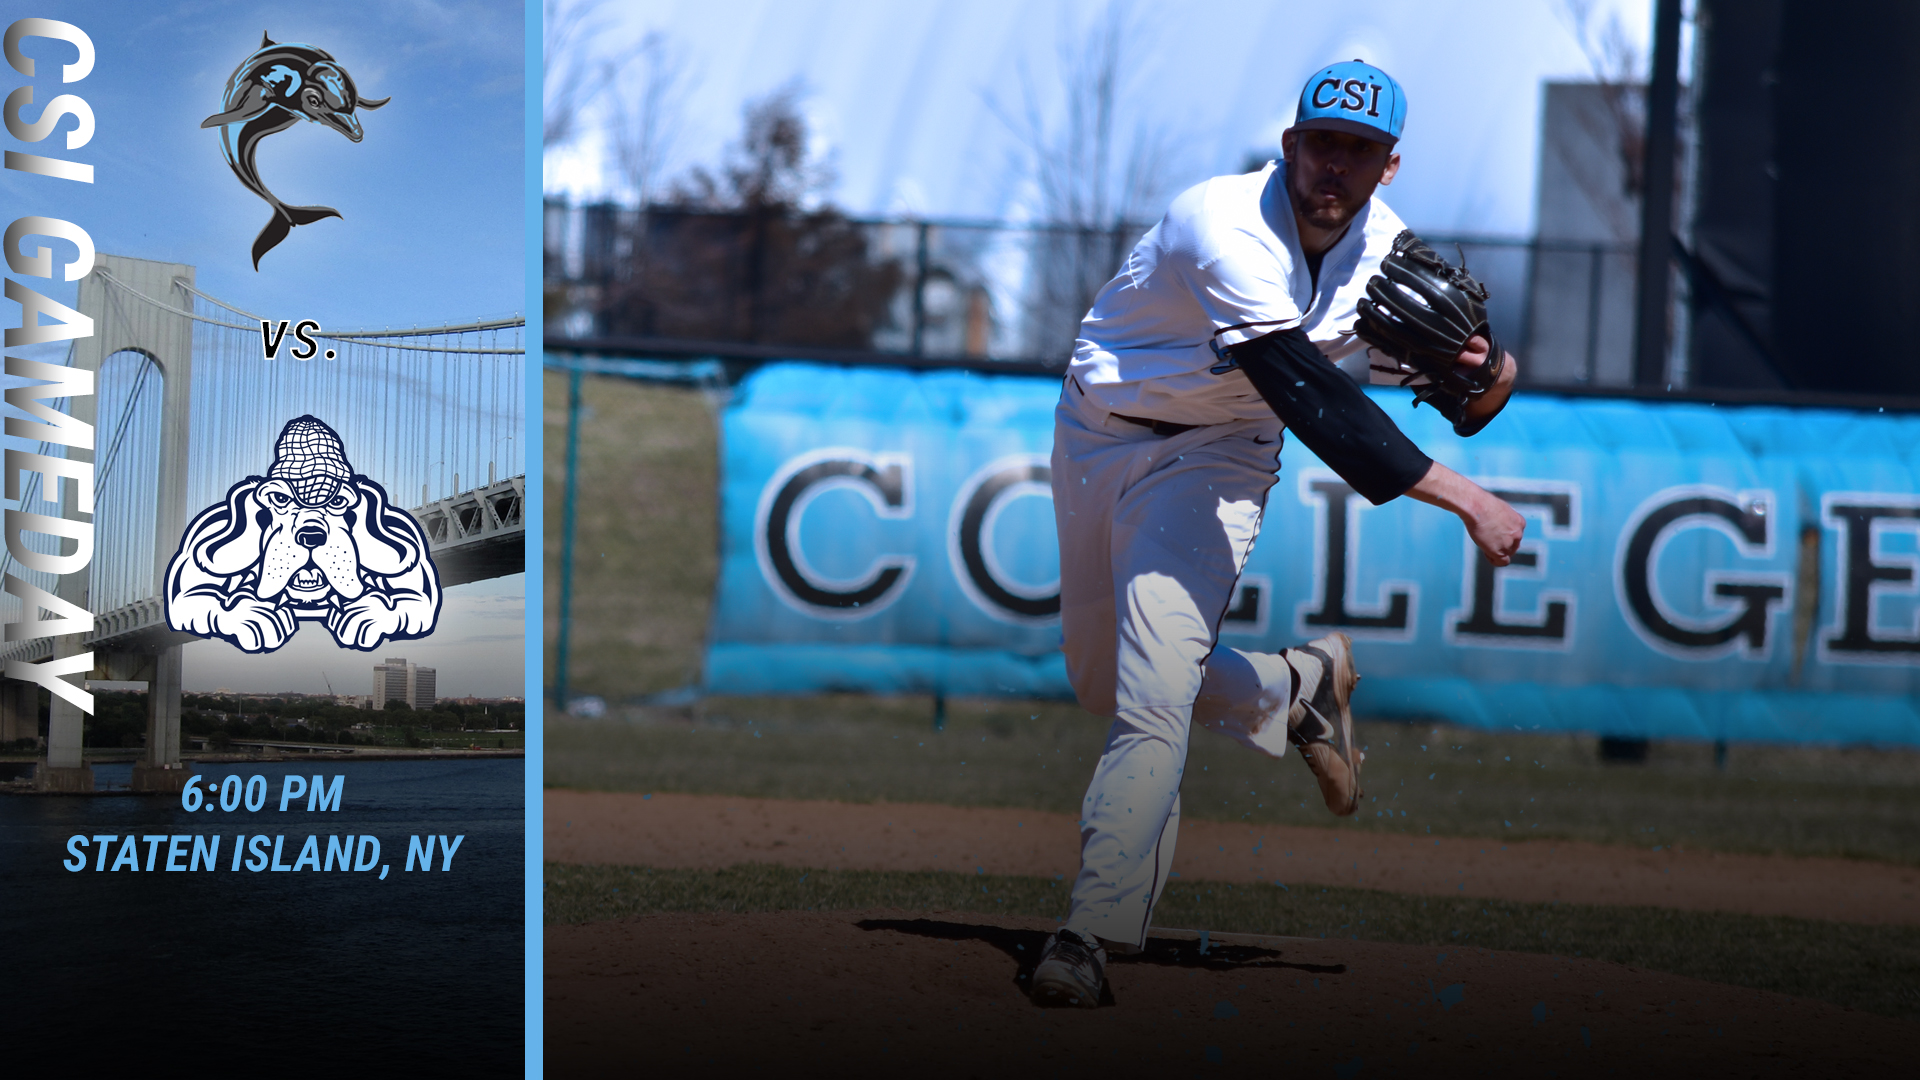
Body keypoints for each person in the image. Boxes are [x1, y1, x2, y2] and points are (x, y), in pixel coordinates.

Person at [1030, 60, 1527, 1007]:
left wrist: (1490, 367)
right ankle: (1292, 691)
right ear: (1290, 144)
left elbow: (1473, 396)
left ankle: (1087, 936)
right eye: (1323, 141)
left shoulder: (1387, 254)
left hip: (1217, 459)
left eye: (1361, 150)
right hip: (1098, 432)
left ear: (1388, 167)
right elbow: (1315, 398)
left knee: (1153, 693)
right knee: (1101, 678)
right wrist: (1468, 500)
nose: (1335, 165)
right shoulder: (1221, 222)